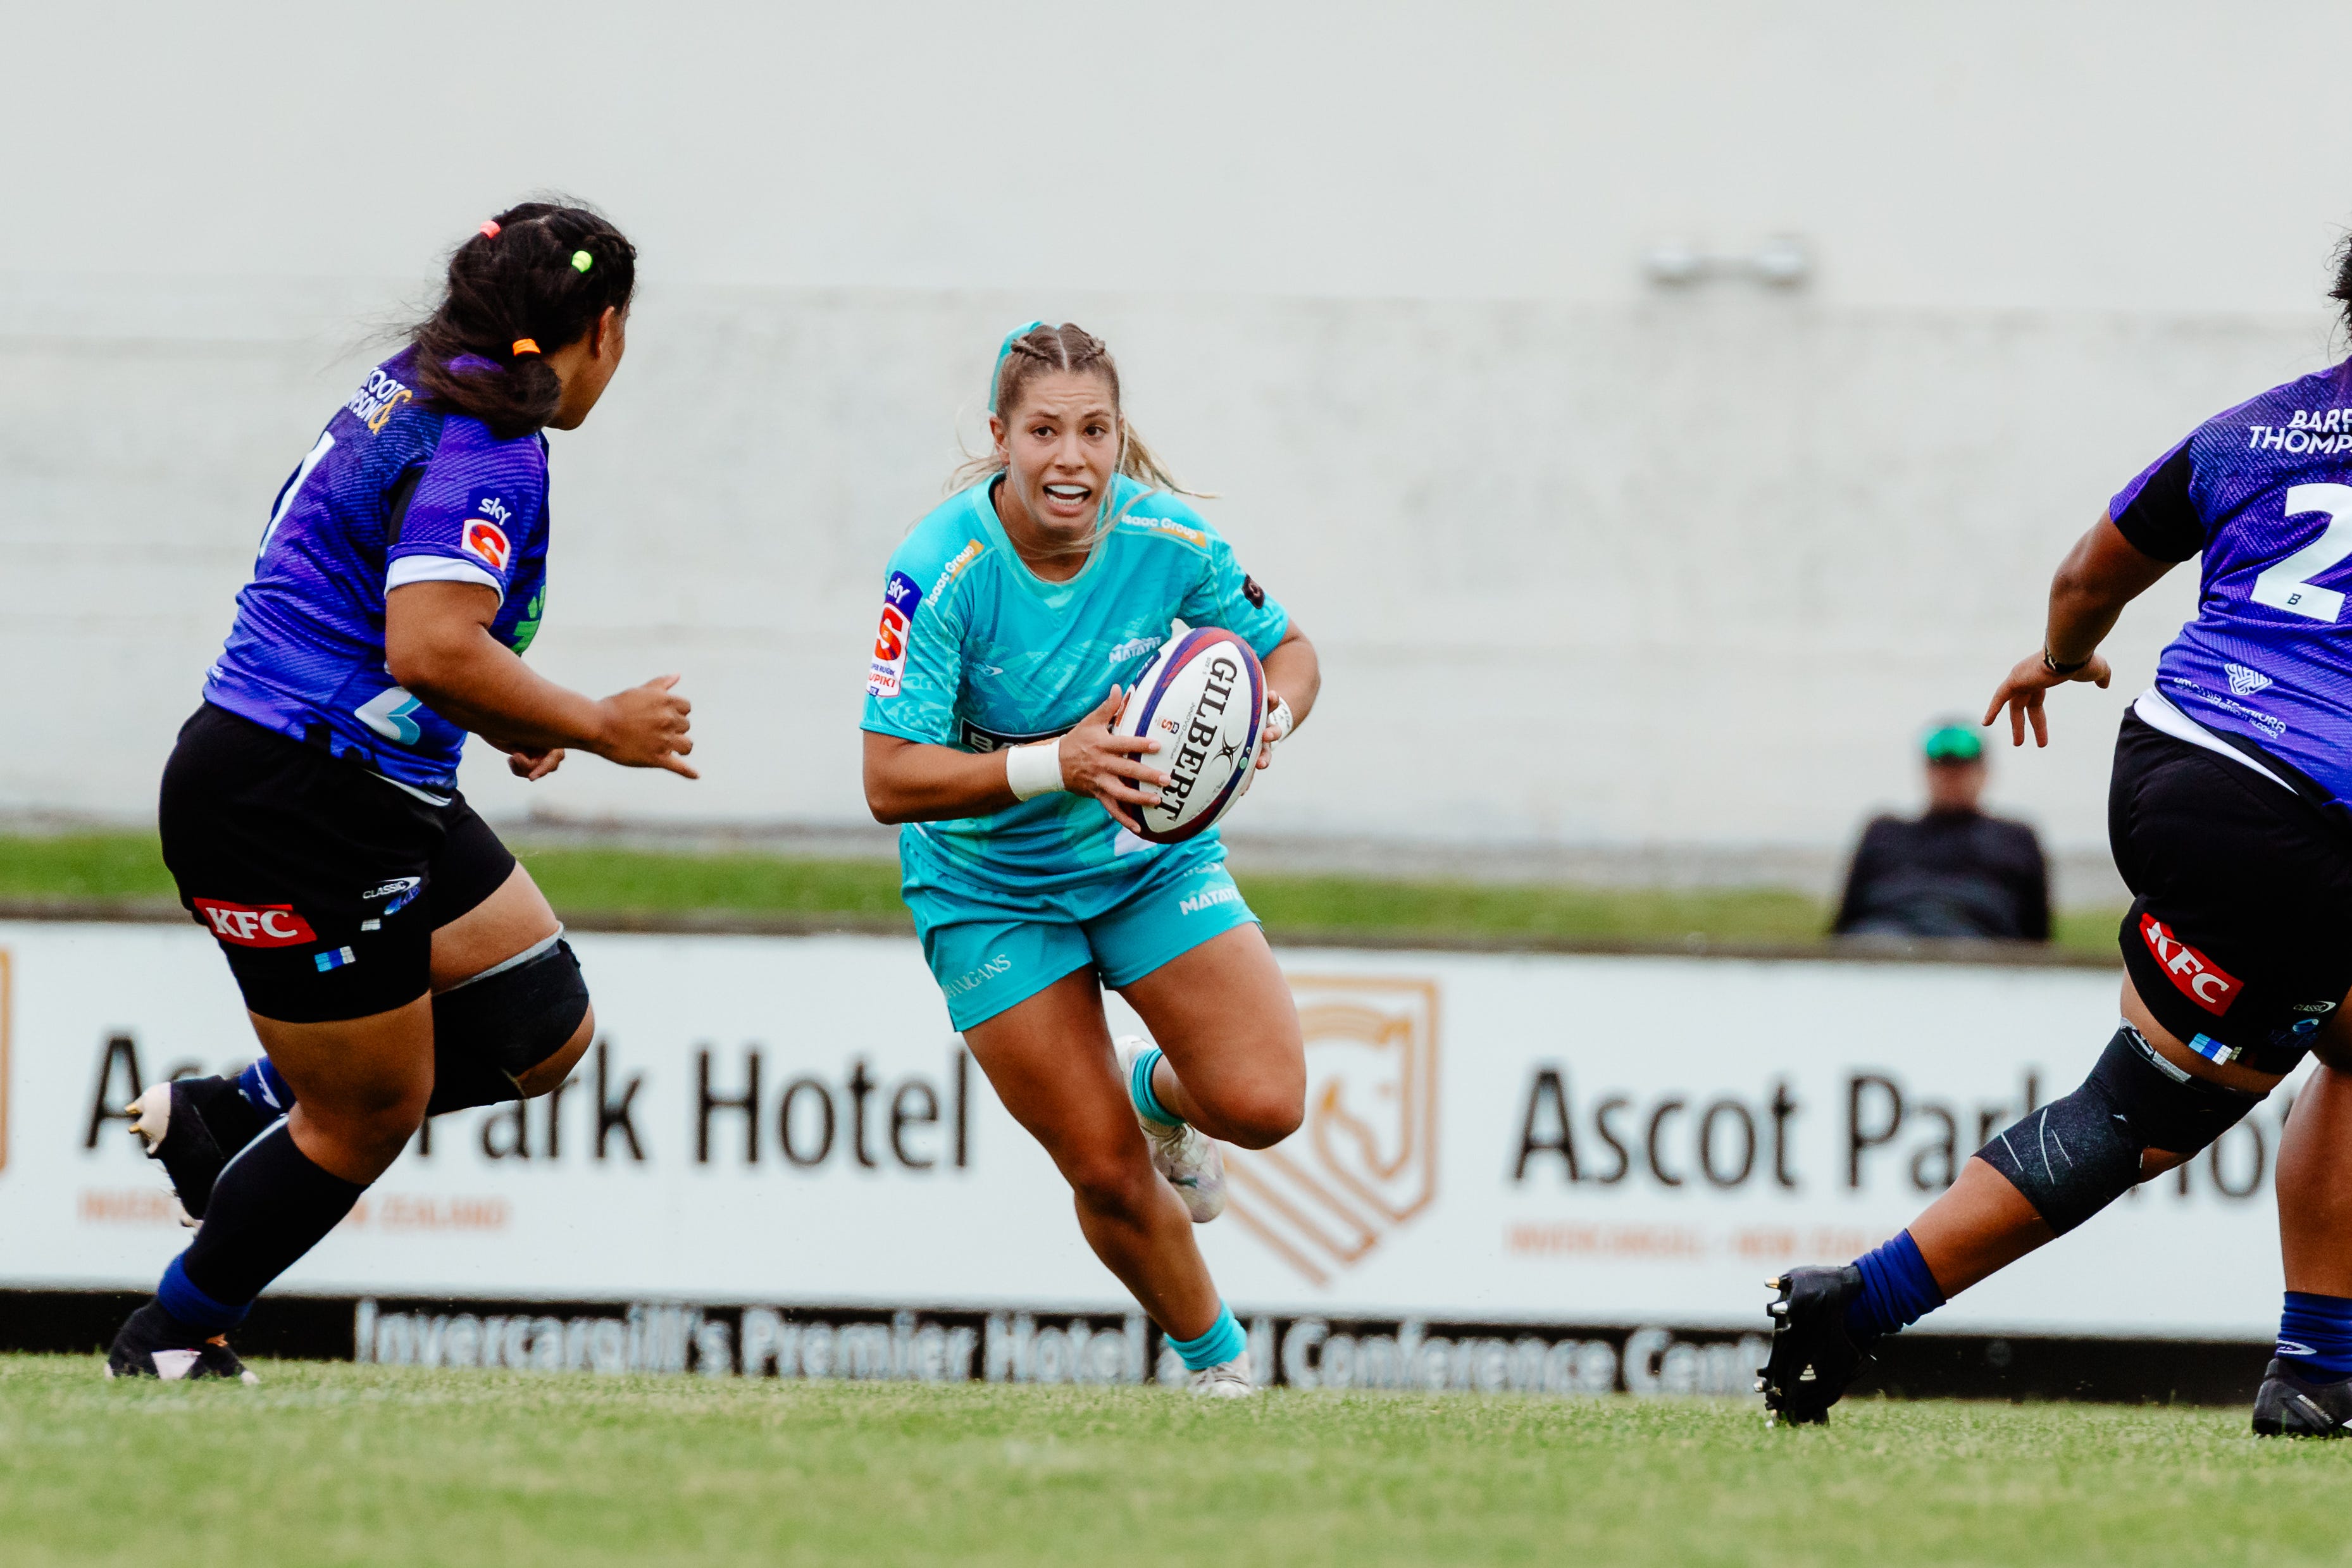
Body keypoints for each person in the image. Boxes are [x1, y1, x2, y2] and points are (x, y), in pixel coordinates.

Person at [1758, 235, 2352, 1434]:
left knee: (2182, 1096)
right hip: (2306, 805)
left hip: (2176, 765)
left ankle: (1851, 1303)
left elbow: (2088, 573)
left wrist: (2066, 657)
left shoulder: (2255, 431)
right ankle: (2316, 1365)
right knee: (2161, 1108)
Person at [106, 202, 696, 1381]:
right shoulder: (490, 440)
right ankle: (173, 1333)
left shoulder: (421, 381)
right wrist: (593, 723)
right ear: (603, 331)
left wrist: (506, 709)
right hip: (297, 796)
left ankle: (227, 1111)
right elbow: (428, 644)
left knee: (541, 1026)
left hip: (351, 777)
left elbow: (405, 628)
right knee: (366, 1114)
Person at [861, 321, 1320, 1397]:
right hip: (987, 888)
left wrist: (1268, 726)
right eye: (1044, 430)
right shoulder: (940, 570)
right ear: (1000, 438)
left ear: (1120, 438)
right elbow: (888, 779)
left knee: (1263, 1102)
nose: (1071, 456)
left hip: (1141, 855)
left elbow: (1290, 654)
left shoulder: (1168, 537)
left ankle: (1156, 1092)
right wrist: (1053, 763)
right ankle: (1225, 1375)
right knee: (1108, 1174)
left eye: (1094, 430)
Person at [1830, 722, 2050, 942]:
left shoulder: (2014, 838)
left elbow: (2036, 938)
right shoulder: (1884, 833)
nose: (1950, 778)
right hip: (1881, 942)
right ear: (1926, 773)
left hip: (1979, 947)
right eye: (1941, 768)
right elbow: (1842, 925)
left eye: (1961, 769)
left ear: (1984, 774)